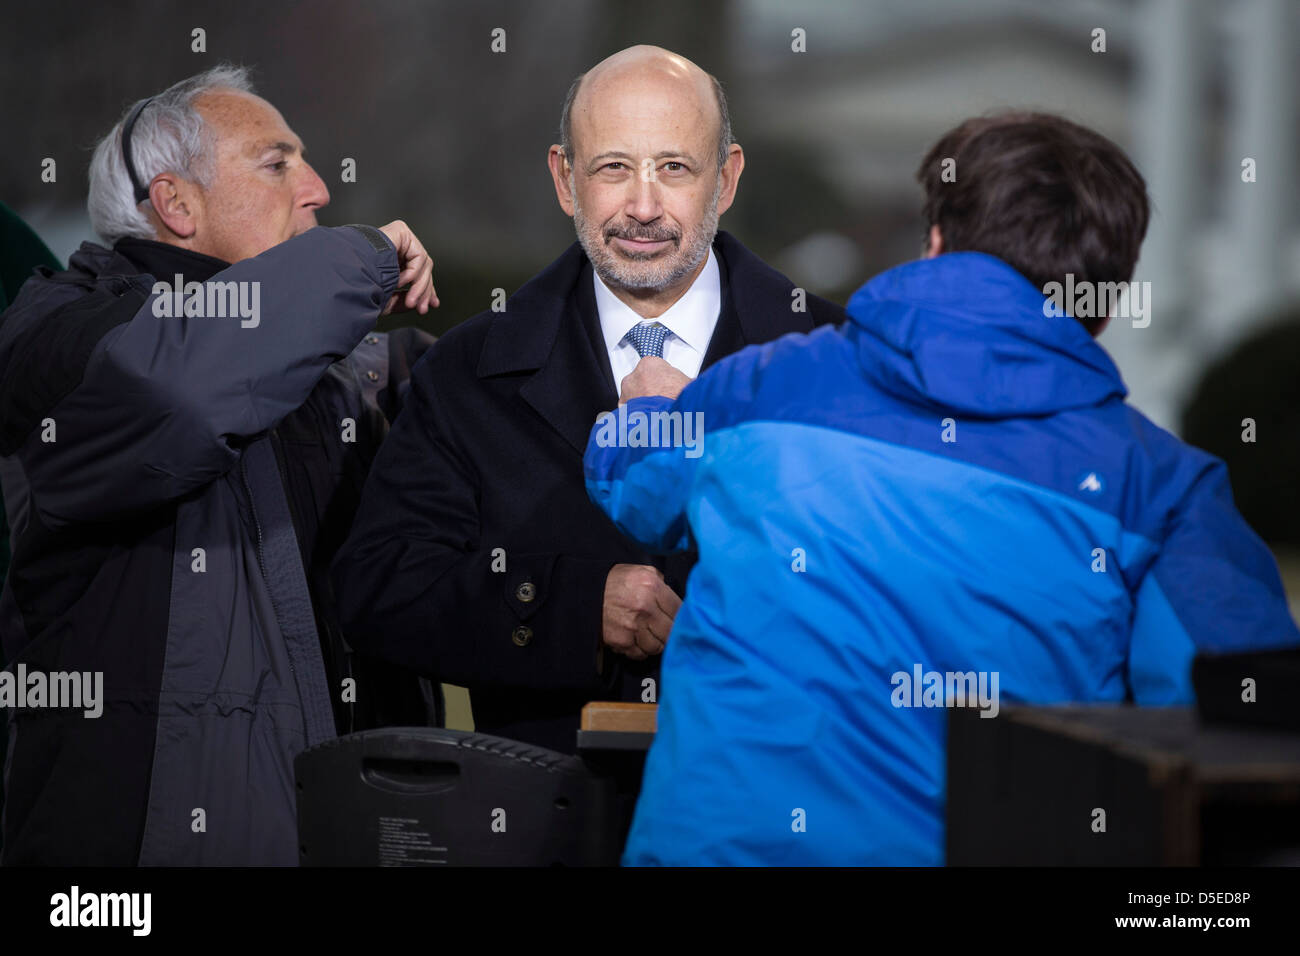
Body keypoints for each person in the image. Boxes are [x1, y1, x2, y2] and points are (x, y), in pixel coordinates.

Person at [584, 111, 1300, 865]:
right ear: (1108, 297)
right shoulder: (1158, 488)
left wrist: (650, 410)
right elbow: (1247, 727)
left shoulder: (767, 385)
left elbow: (627, 479)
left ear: (934, 242)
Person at [331, 45, 845, 754]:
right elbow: (378, 590)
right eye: (612, 167)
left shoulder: (835, 358)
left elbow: (890, 596)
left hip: (776, 819)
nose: (642, 206)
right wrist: (571, 607)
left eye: (673, 167)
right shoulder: (467, 371)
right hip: (547, 829)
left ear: (725, 180)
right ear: (565, 179)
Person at [0, 65, 438, 865]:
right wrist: (364, 257)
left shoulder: (352, 373)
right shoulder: (60, 337)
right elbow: (186, 384)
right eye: (276, 164)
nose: (316, 189)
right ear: (176, 203)